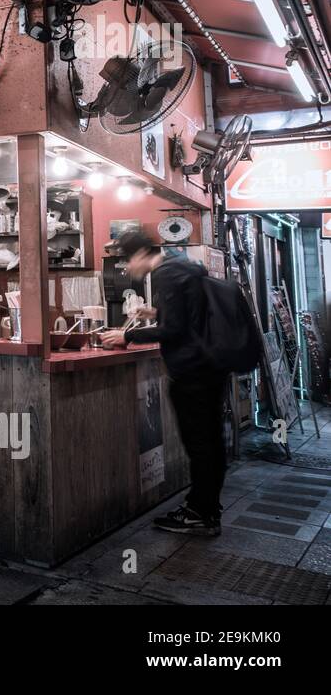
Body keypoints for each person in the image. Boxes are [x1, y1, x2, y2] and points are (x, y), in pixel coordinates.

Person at [100, 230, 224, 536]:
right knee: (210, 441)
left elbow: (176, 331)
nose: (127, 267)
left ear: (142, 254)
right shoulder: (183, 265)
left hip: (192, 371)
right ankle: (206, 507)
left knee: (200, 443)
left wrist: (126, 335)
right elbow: (190, 315)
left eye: (127, 260)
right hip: (210, 366)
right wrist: (157, 312)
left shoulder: (167, 273)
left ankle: (201, 514)